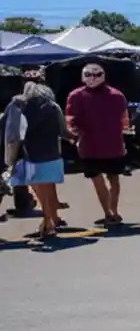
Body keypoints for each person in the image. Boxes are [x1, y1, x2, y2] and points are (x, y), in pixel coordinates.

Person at [65, 62, 129, 226]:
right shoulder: (116, 95)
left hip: (102, 145)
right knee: (104, 178)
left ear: (104, 75)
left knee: (108, 178)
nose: (92, 78)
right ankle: (110, 212)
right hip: (95, 145)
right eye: (88, 74)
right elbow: (125, 121)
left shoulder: (115, 95)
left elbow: (70, 121)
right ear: (82, 76)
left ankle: (110, 212)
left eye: (97, 74)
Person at [4, 83, 69, 239]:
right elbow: (63, 131)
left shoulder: (18, 106)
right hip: (52, 153)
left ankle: (48, 222)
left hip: (29, 154)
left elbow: (13, 135)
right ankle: (52, 219)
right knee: (48, 188)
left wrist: (9, 159)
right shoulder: (53, 107)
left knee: (39, 189)